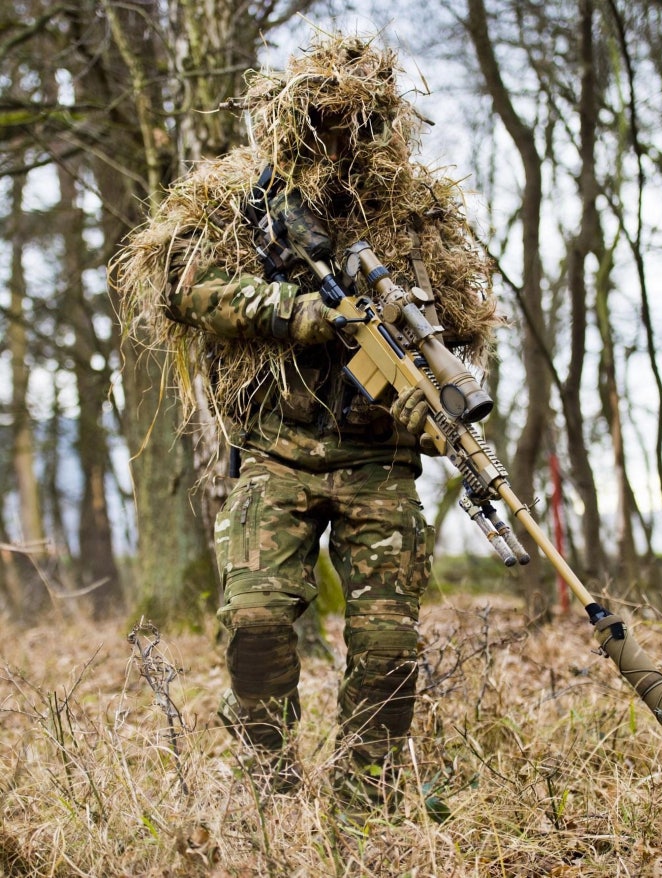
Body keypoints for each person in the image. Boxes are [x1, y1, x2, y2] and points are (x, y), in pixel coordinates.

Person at [114, 32, 500, 811]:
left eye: (355, 123)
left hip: (377, 463)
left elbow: (460, 321)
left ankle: (366, 800)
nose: (339, 138)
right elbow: (187, 293)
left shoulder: (417, 213)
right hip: (275, 455)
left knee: (388, 645)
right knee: (256, 624)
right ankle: (269, 785)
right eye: (323, 120)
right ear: (293, 116)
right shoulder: (235, 196)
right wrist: (303, 314)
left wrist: (420, 352)